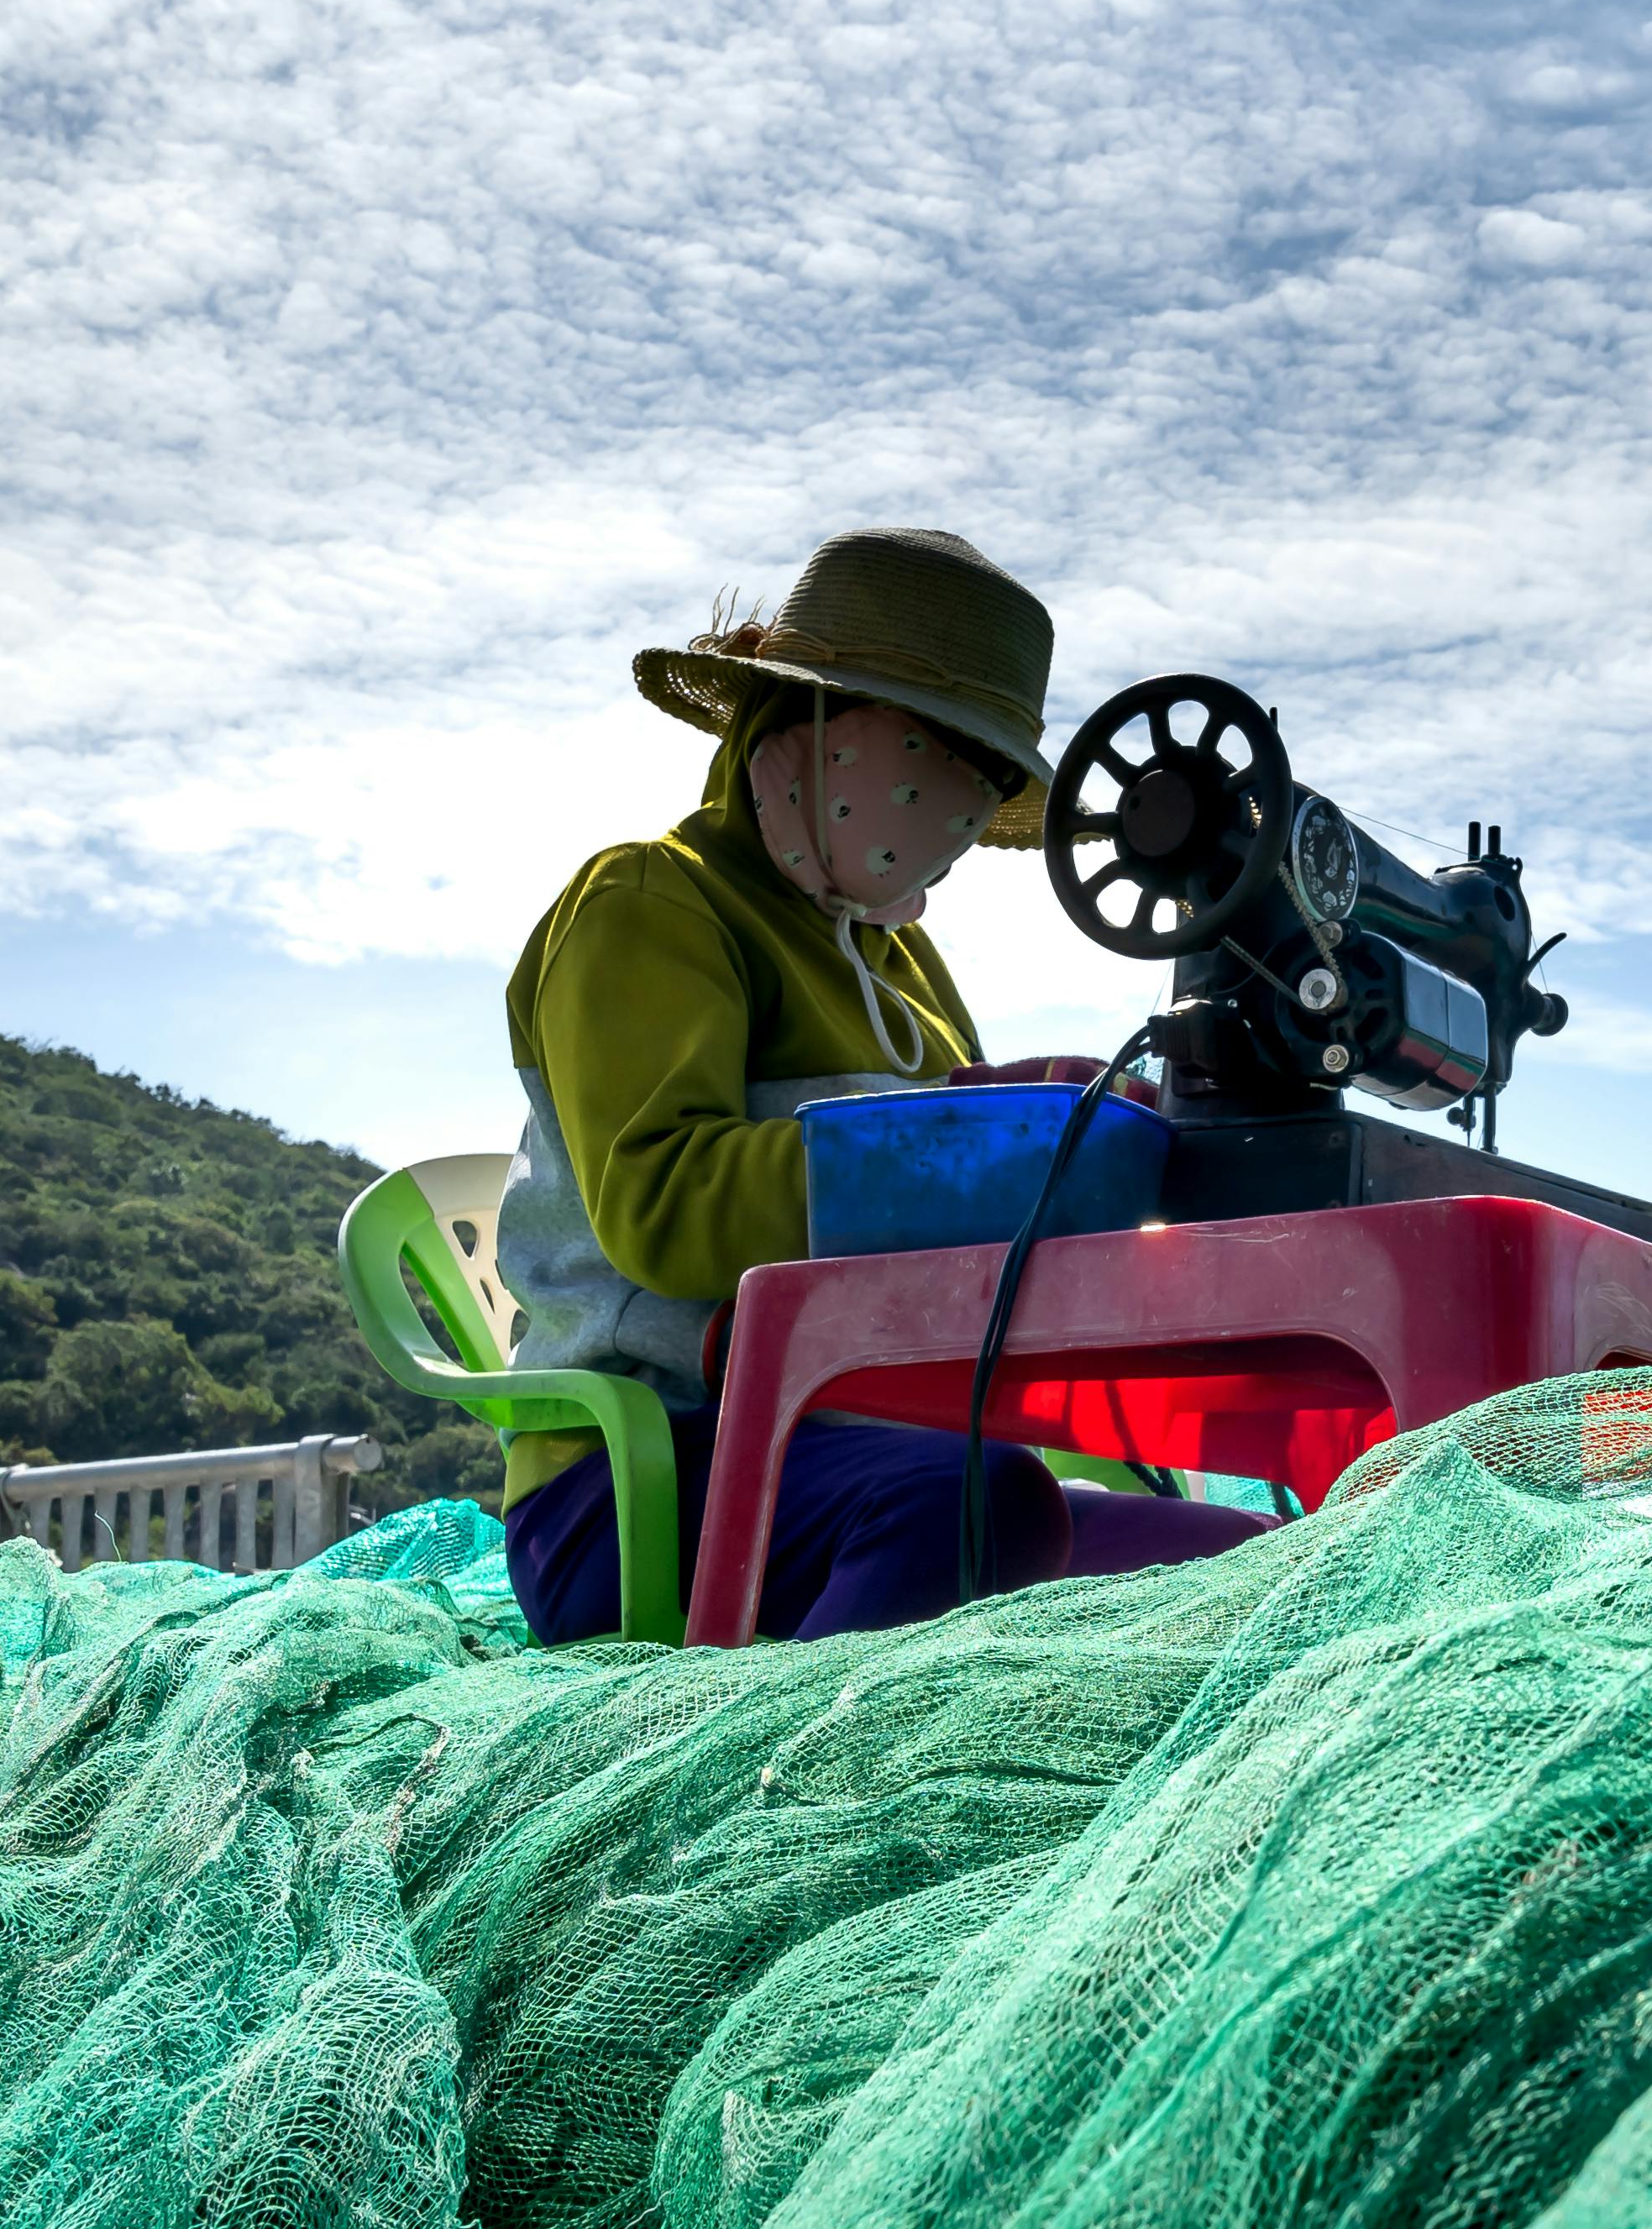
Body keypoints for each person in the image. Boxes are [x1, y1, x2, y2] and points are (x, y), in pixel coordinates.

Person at [492, 527, 1267, 1644]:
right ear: (799, 715)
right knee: (978, 1499)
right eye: (934, 744)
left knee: (1235, 1571)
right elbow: (663, 1206)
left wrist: (1052, 1147)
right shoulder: (651, 902)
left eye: (987, 772)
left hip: (872, 1449)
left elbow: (962, 1217)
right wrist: (963, 1152)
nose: (957, 796)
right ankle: (766, 1803)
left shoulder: (904, 966)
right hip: (637, 1483)